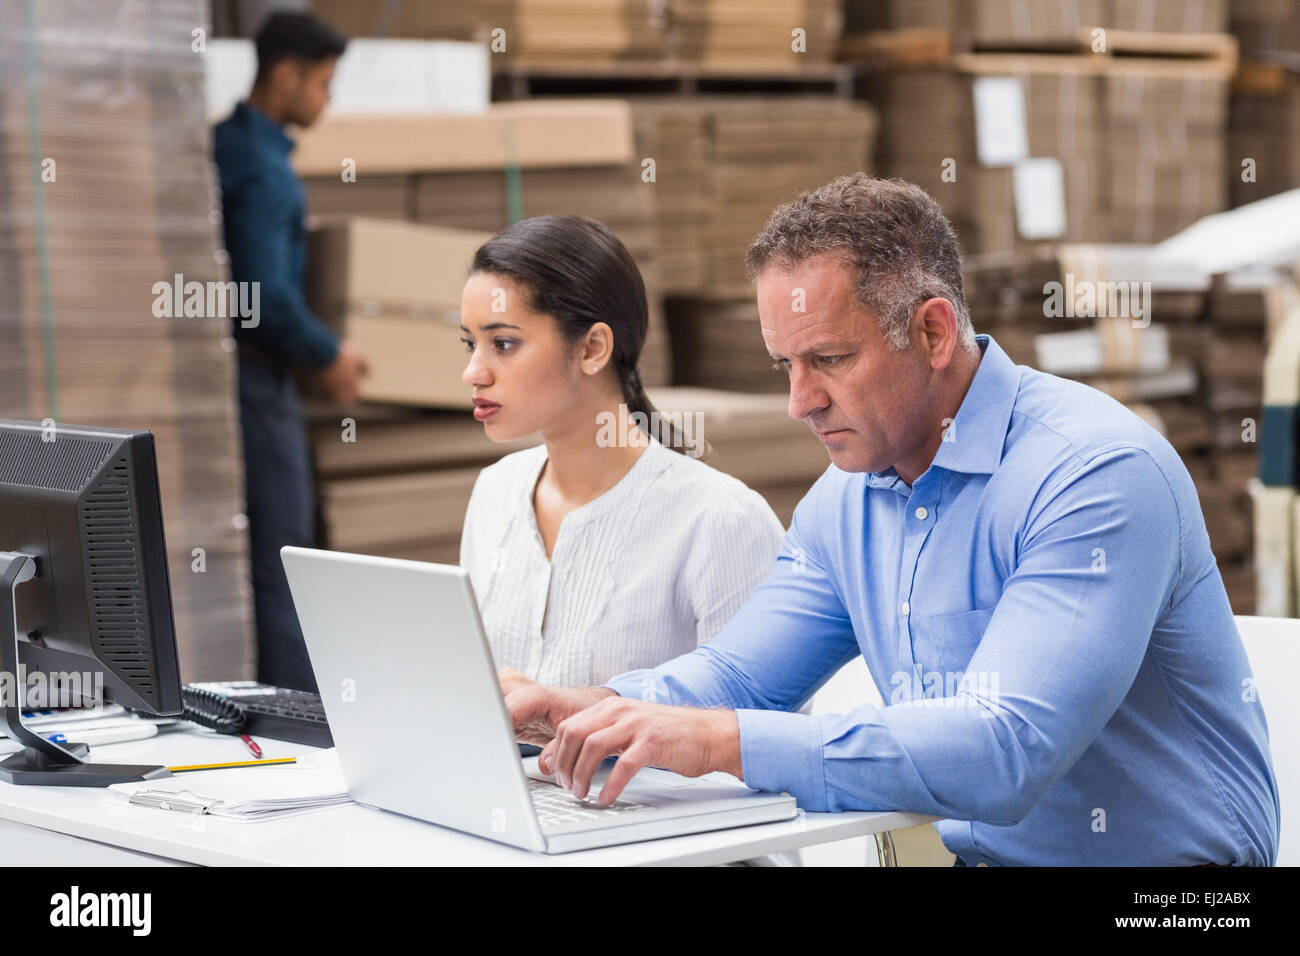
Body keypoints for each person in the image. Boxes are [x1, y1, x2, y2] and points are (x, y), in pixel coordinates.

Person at [504, 174, 1282, 866]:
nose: (798, 402)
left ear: (934, 333)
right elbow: (737, 678)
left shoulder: (1096, 475)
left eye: (830, 360)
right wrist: (596, 709)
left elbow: (1004, 750)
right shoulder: (849, 497)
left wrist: (717, 741)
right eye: (786, 365)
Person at [458, 214, 786, 691]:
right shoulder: (496, 490)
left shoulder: (721, 519)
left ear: (593, 348)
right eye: (470, 344)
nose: (473, 372)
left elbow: (759, 724)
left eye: (503, 343)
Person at [213, 12, 368, 693]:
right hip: (258, 384)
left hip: (228, 381)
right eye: (323, 84)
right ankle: (297, 723)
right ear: (286, 75)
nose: (326, 101)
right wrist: (329, 353)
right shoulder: (265, 172)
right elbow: (266, 298)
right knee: (283, 559)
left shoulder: (224, 144)